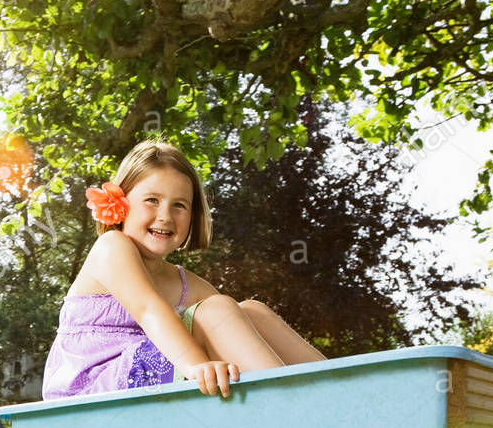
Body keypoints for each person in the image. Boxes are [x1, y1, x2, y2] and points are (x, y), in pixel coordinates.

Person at [42, 140, 325, 401]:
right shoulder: (111, 247)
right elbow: (148, 310)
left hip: (143, 372)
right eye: (152, 200)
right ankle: (290, 408)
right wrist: (195, 365)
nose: (165, 216)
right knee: (215, 311)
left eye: (179, 205)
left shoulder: (183, 282)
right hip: (94, 385)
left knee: (252, 311)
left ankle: (336, 392)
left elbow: (232, 325)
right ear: (122, 204)